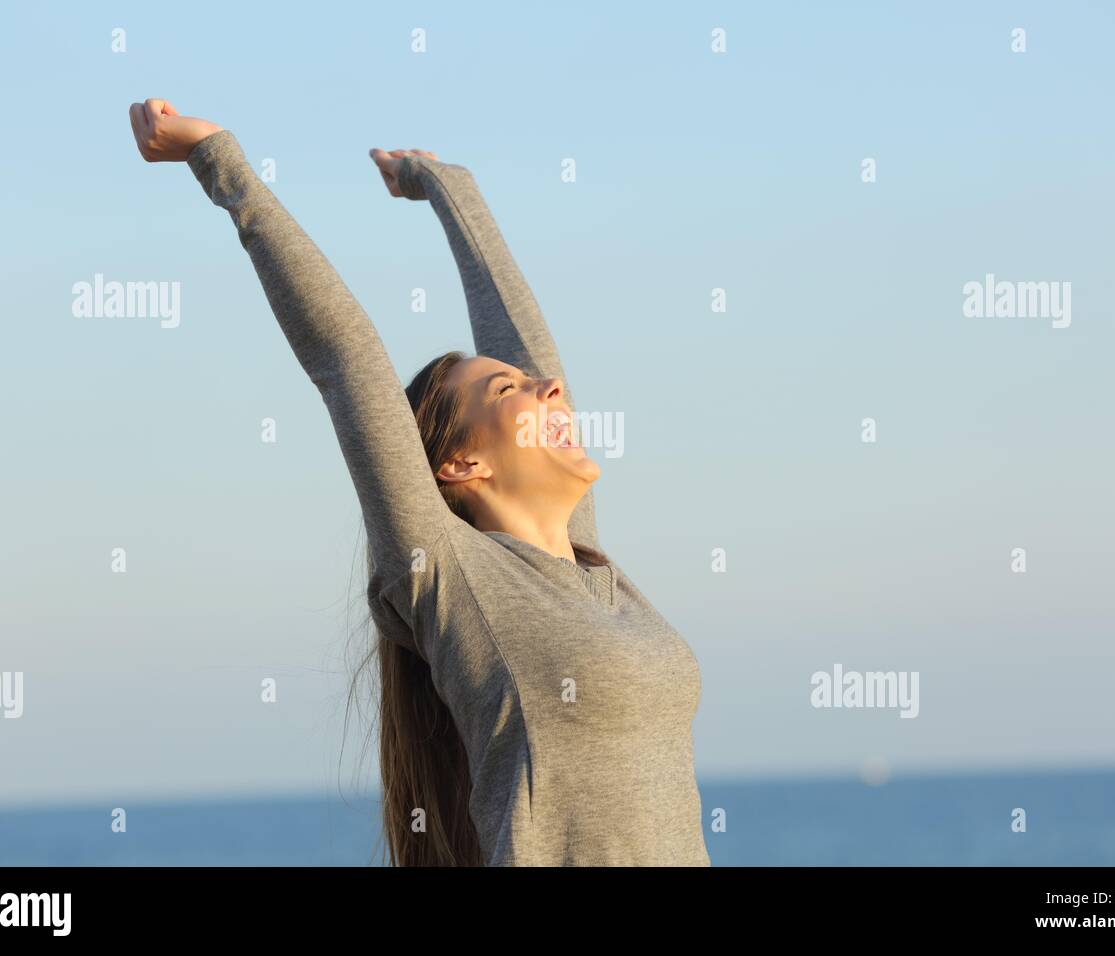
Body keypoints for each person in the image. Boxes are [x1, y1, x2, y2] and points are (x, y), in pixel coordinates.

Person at [128, 98, 711, 866]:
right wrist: (219, 162)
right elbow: (348, 357)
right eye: (511, 394)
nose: (552, 392)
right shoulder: (454, 577)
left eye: (543, 386)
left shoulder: (591, 568)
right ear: (459, 466)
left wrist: (446, 188)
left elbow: (528, 347)